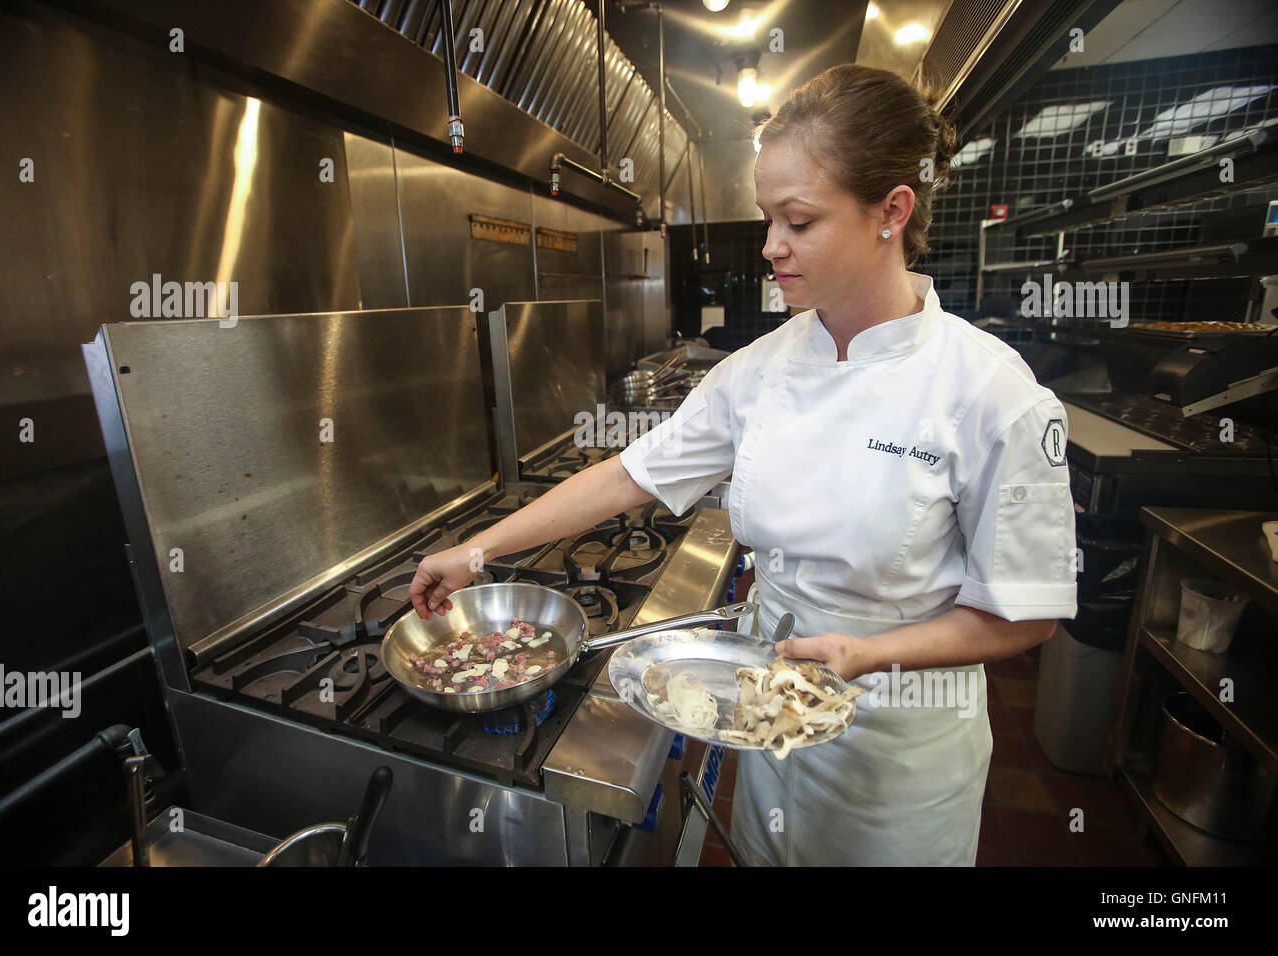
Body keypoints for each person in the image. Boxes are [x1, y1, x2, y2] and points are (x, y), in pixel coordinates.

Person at [410, 64, 1077, 866]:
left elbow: (1025, 612)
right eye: (768, 219)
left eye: (797, 221)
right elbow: (629, 476)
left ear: (891, 212)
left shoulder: (989, 393)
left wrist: (866, 653)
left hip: (896, 758)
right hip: (773, 713)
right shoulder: (764, 366)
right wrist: (476, 550)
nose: (770, 247)